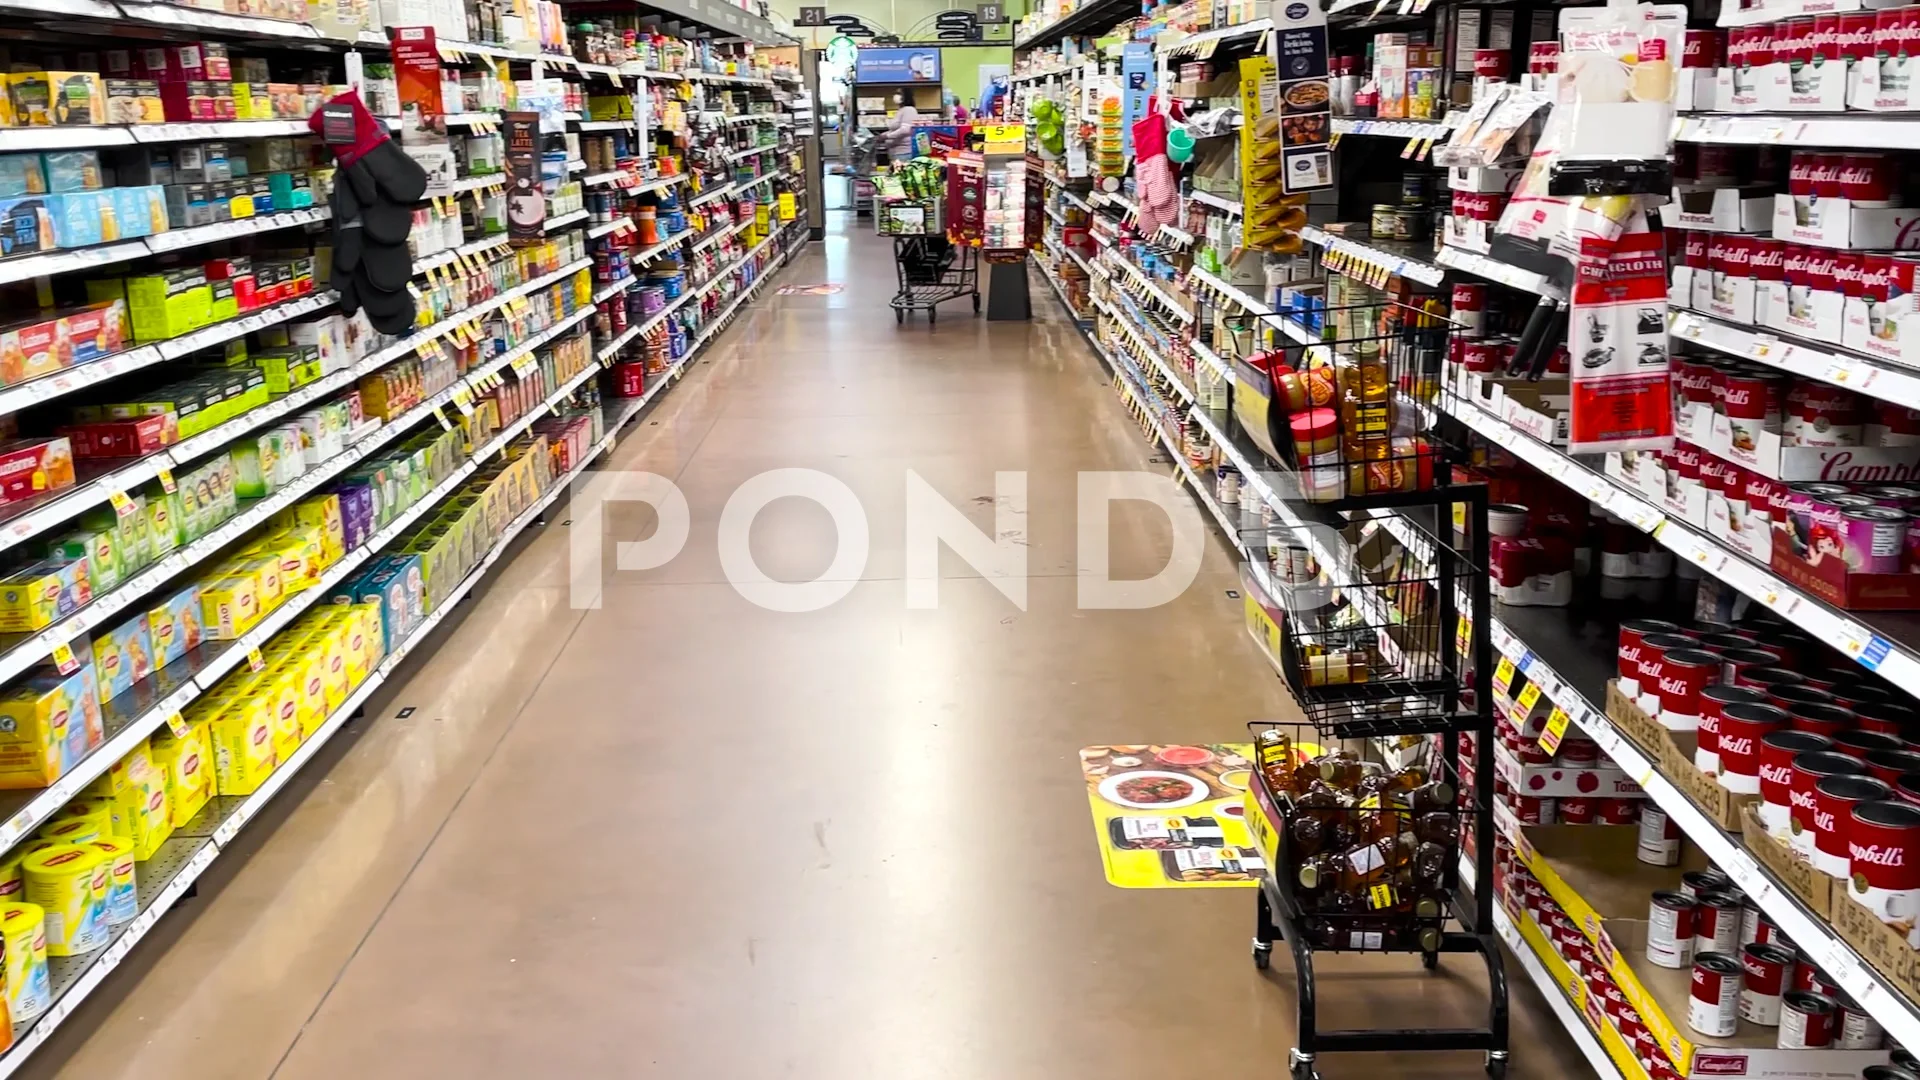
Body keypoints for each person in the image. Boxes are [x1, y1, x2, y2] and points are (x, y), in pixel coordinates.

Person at [883, 90, 920, 165]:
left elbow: (906, 129)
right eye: (896, 93)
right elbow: (896, 129)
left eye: (899, 93)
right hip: (897, 152)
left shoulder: (909, 110)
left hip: (904, 152)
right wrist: (883, 135)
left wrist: (887, 136)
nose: (896, 96)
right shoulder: (901, 110)